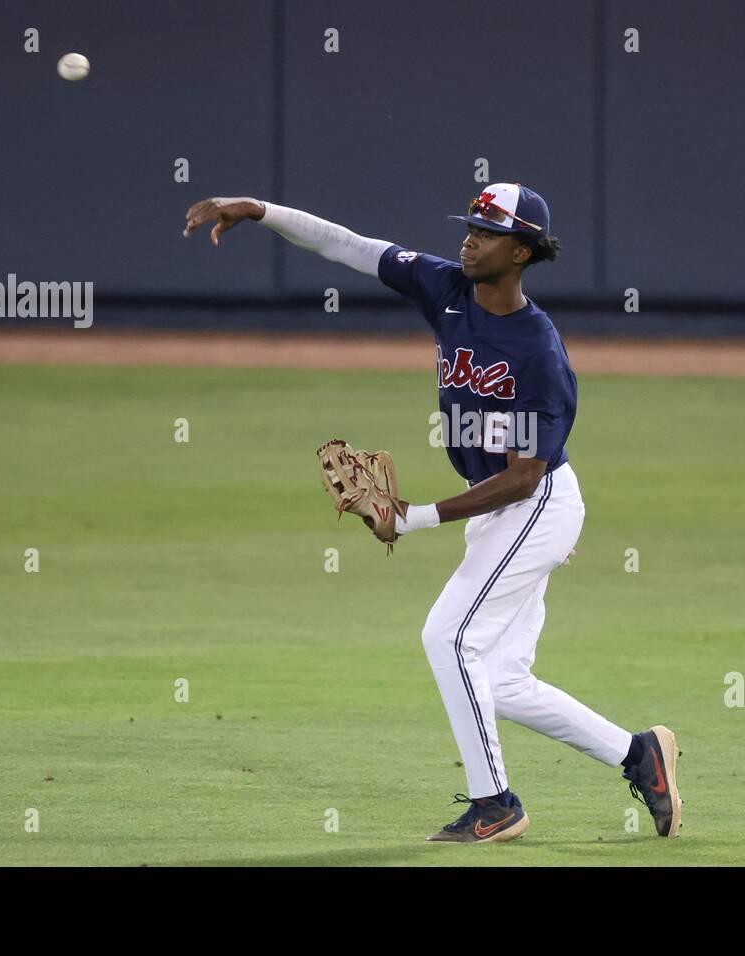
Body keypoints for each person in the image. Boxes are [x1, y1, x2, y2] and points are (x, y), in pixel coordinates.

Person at [183, 184, 682, 842]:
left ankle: (496, 804)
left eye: (488, 232)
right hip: (506, 513)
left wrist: (412, 517)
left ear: (524, 251)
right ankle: (639, 754)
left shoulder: (537, 351)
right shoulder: (445, 288)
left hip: (534, 504)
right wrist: (260, 212)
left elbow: (523, 480)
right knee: (496, 679)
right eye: (469, 227)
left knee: (447, 638)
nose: (469, 240)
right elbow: (350, 247)